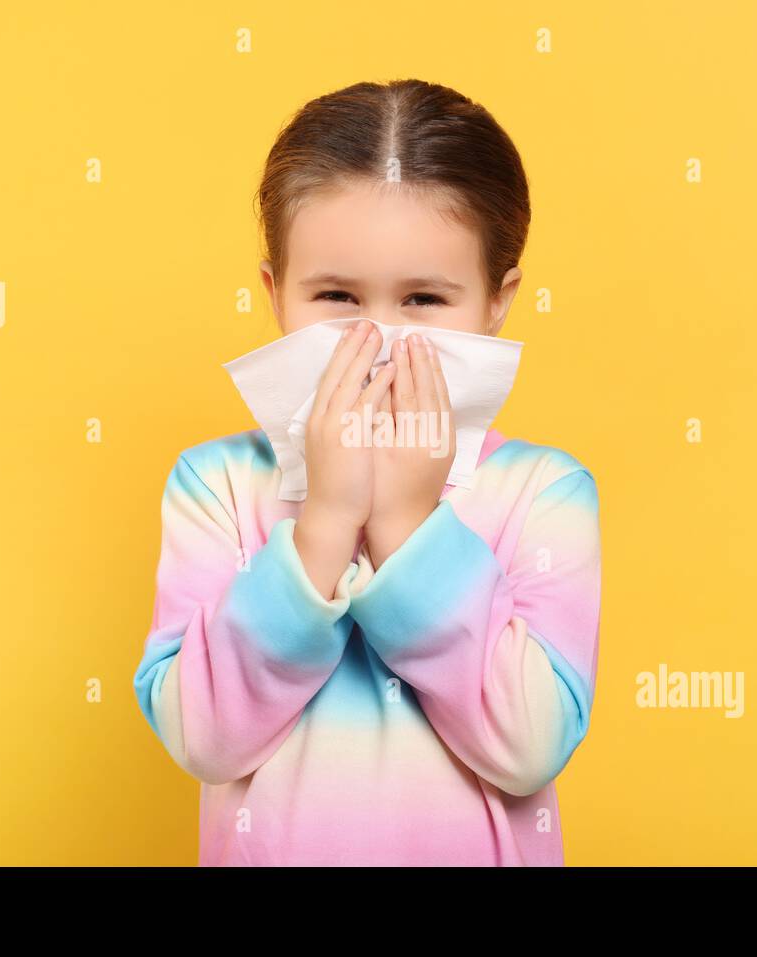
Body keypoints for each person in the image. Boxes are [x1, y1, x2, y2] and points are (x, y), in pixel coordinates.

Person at [133, 78, 601, 865]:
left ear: (496, 300)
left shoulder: (543, 494)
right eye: (338, 296)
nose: (380, 340)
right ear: (278, 294)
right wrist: (322, 524)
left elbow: (531, 745)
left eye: (423, 297)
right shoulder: (213, 485)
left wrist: (408, 528)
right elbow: (203, 738)